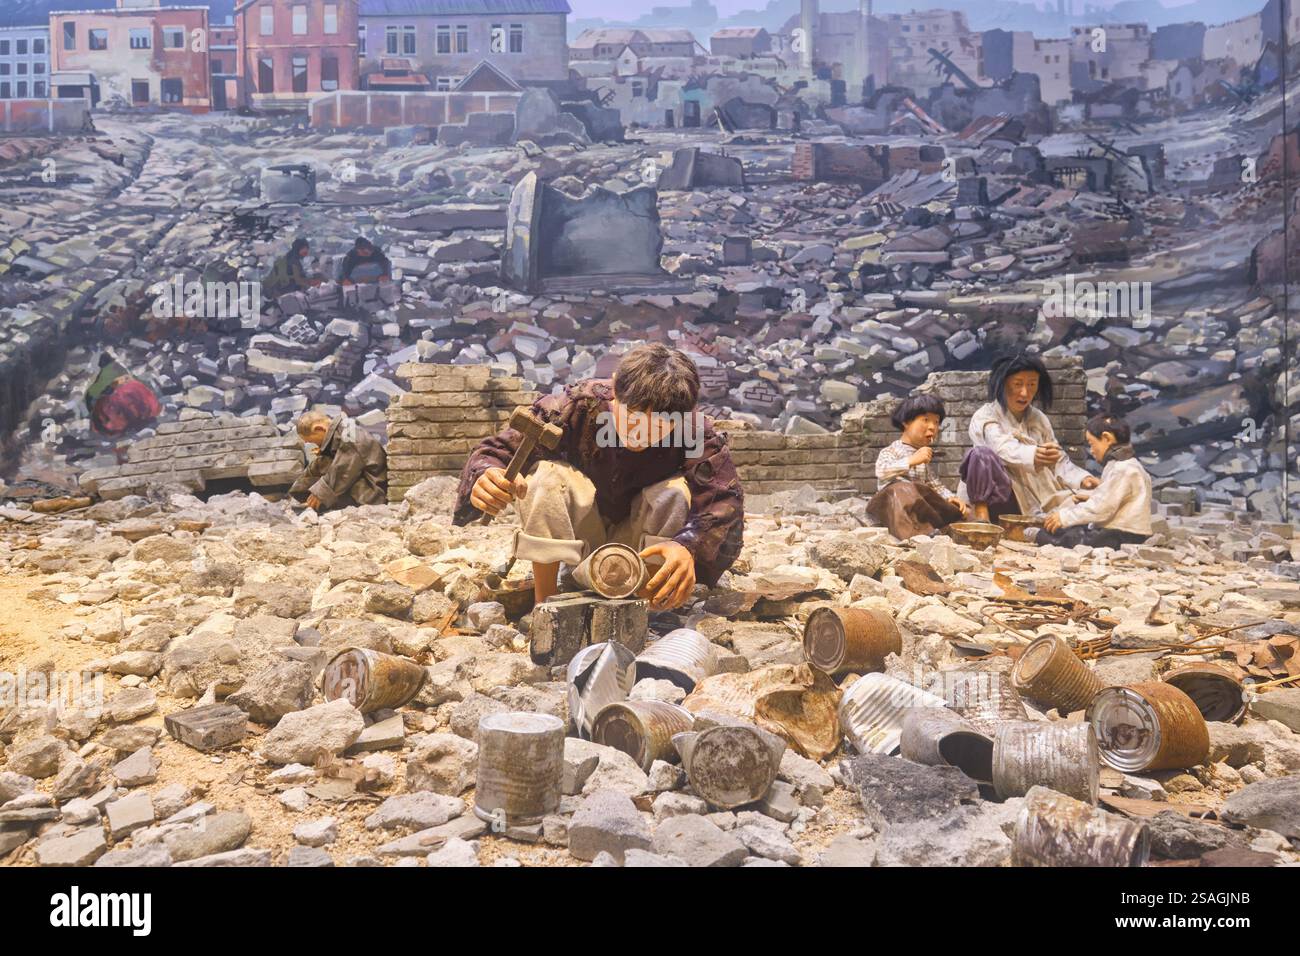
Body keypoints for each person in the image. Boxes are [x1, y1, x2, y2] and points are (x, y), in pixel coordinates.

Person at [454, 343, 744, 611]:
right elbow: (498, 450)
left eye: (660, 426)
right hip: (581, 537)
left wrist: (687, 545)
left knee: (676, 492)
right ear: (615, 388)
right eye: (631, 417)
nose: (641, 433)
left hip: (643, 547)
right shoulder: (577, 406)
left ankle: (648, 600)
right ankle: (546, 604)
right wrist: (487, 475)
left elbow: (723, 498)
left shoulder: (692, 429)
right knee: (546, 477)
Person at [959, 352, 1100, 523]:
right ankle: (981, 519)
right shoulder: (985, 416)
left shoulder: (1039, 419)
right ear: (1002, 384)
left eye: (1032, 384)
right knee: (980, 455)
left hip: (1034, 497)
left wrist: (1082, 479)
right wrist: (1032, 455)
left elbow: (1059, 460)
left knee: (1092, 501)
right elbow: (1001, 448)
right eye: (1018, 384)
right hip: (1000, 496)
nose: (1025, 393)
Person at [1039, 413, 1152, 549]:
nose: (1091, 451)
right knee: (1076, 529)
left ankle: (1037, 536)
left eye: (1092, 444)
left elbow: (1102, 508)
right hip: (1124, 533)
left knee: (1069, 536)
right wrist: (1090, 497)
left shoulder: (1123, 469)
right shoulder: (1128, 466)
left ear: (1106, 438)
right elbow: (1112, 500)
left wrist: (1064, 517)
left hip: (1123, 534)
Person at [866, 394, 968, 539]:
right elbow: (882, 471)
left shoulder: (924, 457)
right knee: (903, 487)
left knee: (957, 508)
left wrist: (951, 497)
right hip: (891, 504)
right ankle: (917, 535)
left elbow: (935, 485)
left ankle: (950, 527)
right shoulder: (891, 451)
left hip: (918, 506)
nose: (932, 427)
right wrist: (911, 460)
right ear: (906, 422)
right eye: (925, 420)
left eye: (936, 422)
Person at [289, 410, 388, 511]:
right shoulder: (342, 432)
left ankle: (315, 504)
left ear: (319, 429)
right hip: (359, 483)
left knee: (325, 475)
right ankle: (305, 499)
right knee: (321, 462)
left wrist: (319, 494)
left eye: (311, 440)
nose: (310, 443)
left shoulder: (350, 436)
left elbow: (343, 470)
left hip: (371, 493)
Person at [85, 353, 161, 437]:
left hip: (119, 403)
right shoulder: (121, 368)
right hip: (135, 398)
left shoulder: (105, 373)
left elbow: (92, 393)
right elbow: (134, 379)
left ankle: (127, 424)